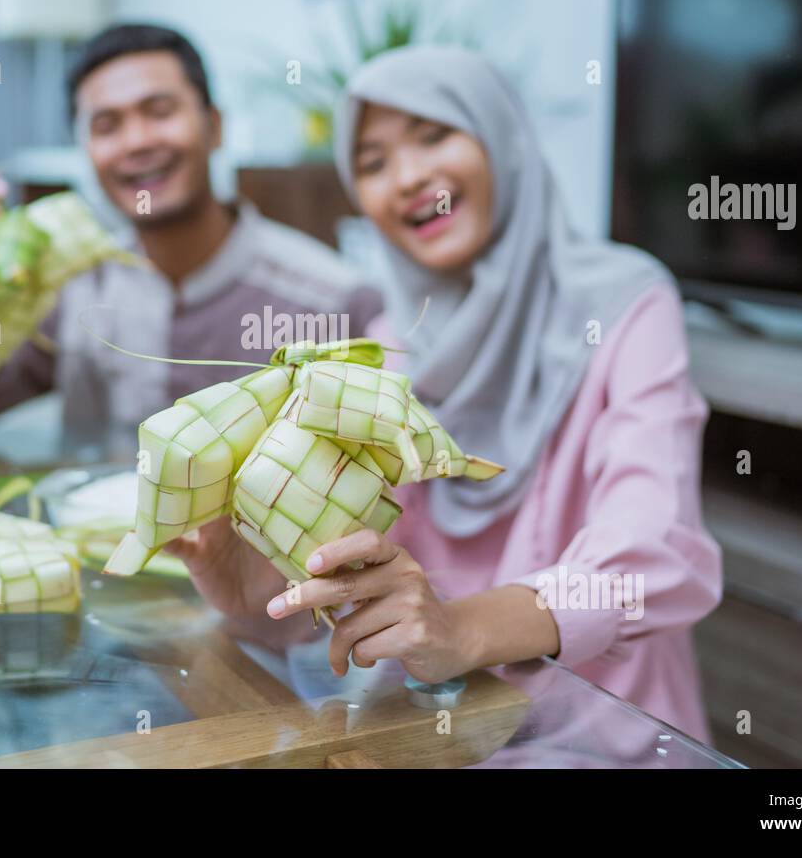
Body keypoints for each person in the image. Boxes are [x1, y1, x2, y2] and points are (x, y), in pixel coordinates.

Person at [168, 45, 723, 744]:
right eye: (372, 162)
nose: (408, 177)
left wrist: (464, 627)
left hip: (607, 739)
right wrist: (265, 599)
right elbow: (362, 593)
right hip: (435, 741)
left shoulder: (624, 302)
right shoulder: (389, 344)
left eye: (435, 135)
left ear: (500, 139)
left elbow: (657, 553)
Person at [0, 24, 382, 455]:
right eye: (107, 125)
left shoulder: (333, 302)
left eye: (159, 111)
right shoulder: (67, 286)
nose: (136, 142)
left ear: (215, 127)